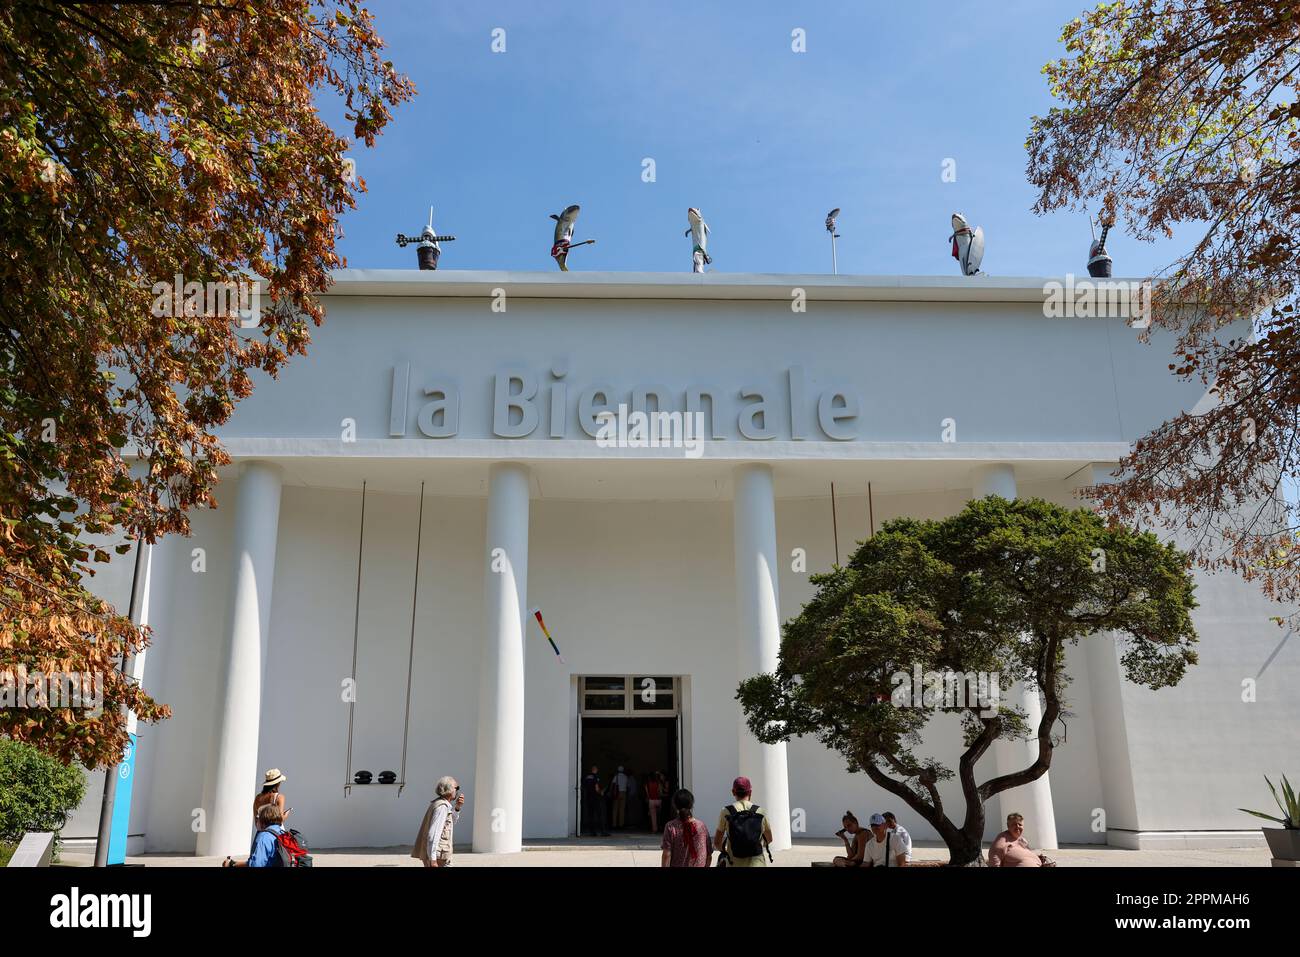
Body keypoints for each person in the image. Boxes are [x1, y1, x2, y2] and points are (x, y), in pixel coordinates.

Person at [713, 776, 774, 867]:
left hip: (733, 863)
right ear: (750, 792)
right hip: (757, 864)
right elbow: (769, 839)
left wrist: (726, 852)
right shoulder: (760, 811)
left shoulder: (726, 812)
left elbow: (717, 842)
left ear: (733, 792)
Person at [411, 776, 464, 867]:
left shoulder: (438, 804)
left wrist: (457, 808)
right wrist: (433, 860)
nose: (457, 791)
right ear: (449, 789)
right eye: (457, 788)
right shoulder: (442, 807)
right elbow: (433, 835)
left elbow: (450, 822)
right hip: (439, 856)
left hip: (438, 855)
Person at [223, 802, 286, 867]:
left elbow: (256, 864)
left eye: (258, 816)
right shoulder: (283, 833)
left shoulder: (264, 837)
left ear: (264, 818)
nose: (256, 820)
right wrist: (234, 864)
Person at [660, 789, 711, 867]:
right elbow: (709, 855)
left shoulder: (671, 827)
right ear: (691, 805)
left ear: (675, 806)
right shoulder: (701, 826)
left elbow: (667, 855)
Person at [582, 765, 609, 836]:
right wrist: (601, 792)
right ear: (596, 770)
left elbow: (583, 787)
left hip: (588, 798)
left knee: (591, 815)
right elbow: (596, 788)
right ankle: (603, 832)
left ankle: (592, 832)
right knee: (599, 814)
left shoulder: (586, 777)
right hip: (595, 798)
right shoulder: (595, 777)